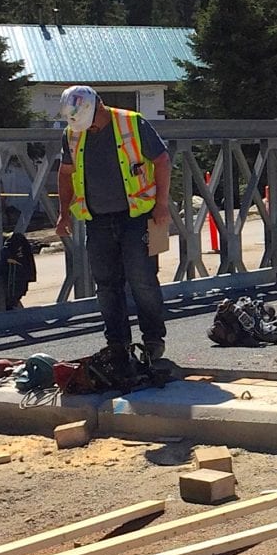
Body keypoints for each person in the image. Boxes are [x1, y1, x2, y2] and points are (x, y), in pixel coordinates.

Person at [55, 85, 172, 370]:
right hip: (97, 219)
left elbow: (162, 160)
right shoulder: (72, 133)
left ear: (100, 106)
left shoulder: (132, 122)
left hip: (138, 216)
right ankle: (117, 344)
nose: (89, 129)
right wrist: (63, 214)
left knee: (143, 280)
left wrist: (162, 205)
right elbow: (66, 173)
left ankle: (153, 340)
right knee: (107, 285)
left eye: (91, 122)